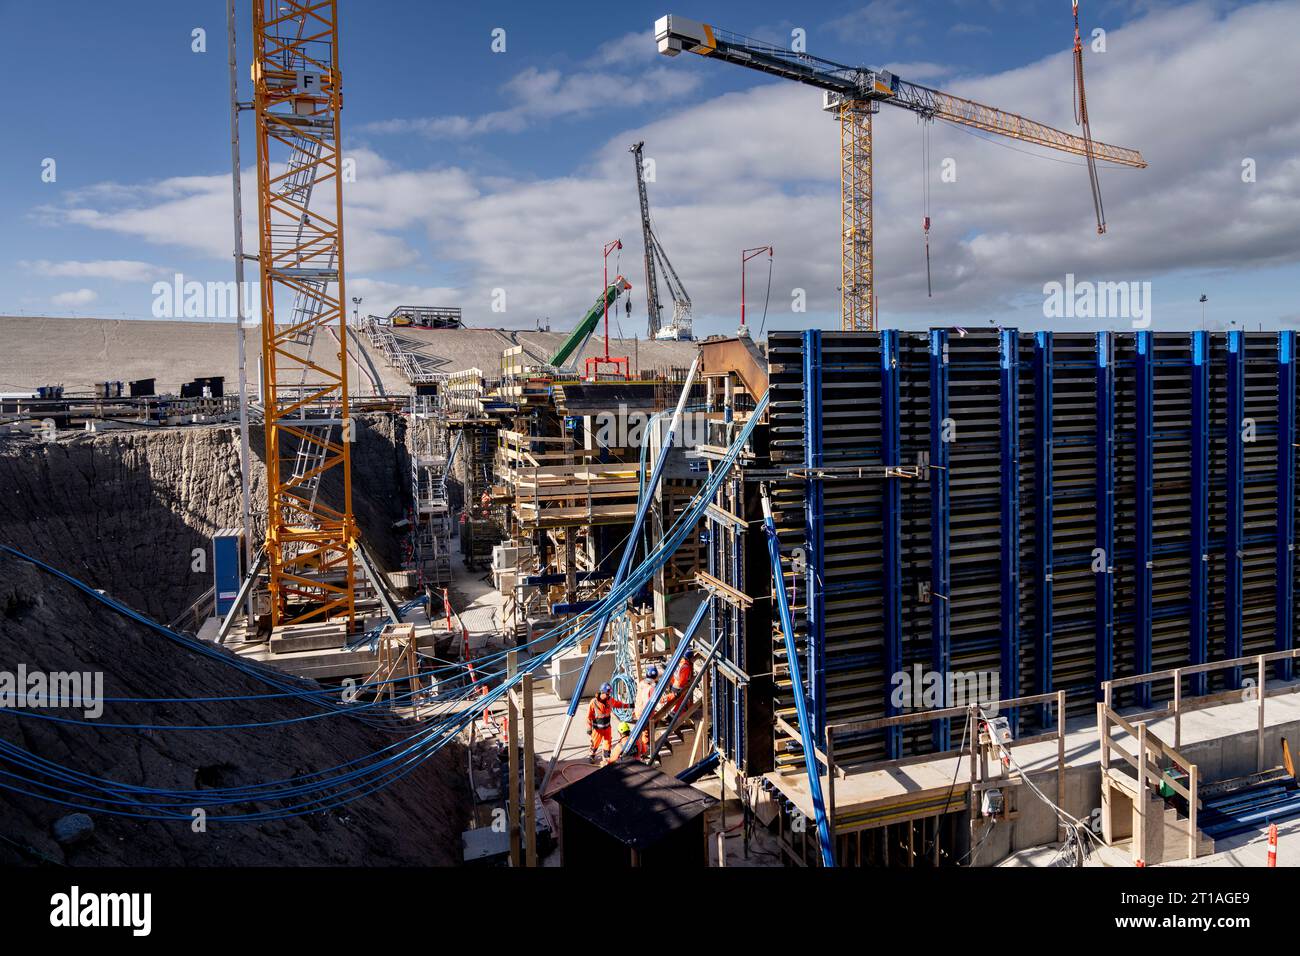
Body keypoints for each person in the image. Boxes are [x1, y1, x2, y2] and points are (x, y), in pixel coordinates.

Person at [586, 682, 630, 763]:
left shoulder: (610, 700)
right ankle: (591, 755)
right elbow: (589, 716)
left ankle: (606, 758)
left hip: (607, 728)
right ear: (602, 692)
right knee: (595, 743)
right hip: (597, 729)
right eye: (607, 694)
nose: (608, 696)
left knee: (607, 743)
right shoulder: (594, 702)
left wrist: (629, 705)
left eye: (609, 694)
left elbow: (618, 704)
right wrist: (589, 727)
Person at [658, 652, 694, 721]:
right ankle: (671, 716)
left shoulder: (680, 662)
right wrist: (687, 684)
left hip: (675, 685)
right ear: (689, 657)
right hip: (679, 687)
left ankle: (670, 714)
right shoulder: (686, 666)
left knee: (677, 702)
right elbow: (682, 680)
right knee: (680, 703)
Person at [633, 665, 660, 757]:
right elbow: (649, 703)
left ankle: (644, 747)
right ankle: (646, 749)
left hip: (638, 711)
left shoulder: (641, 683)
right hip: (645, 713)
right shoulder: (651, 688)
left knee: (644, 730)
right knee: (649, 729)